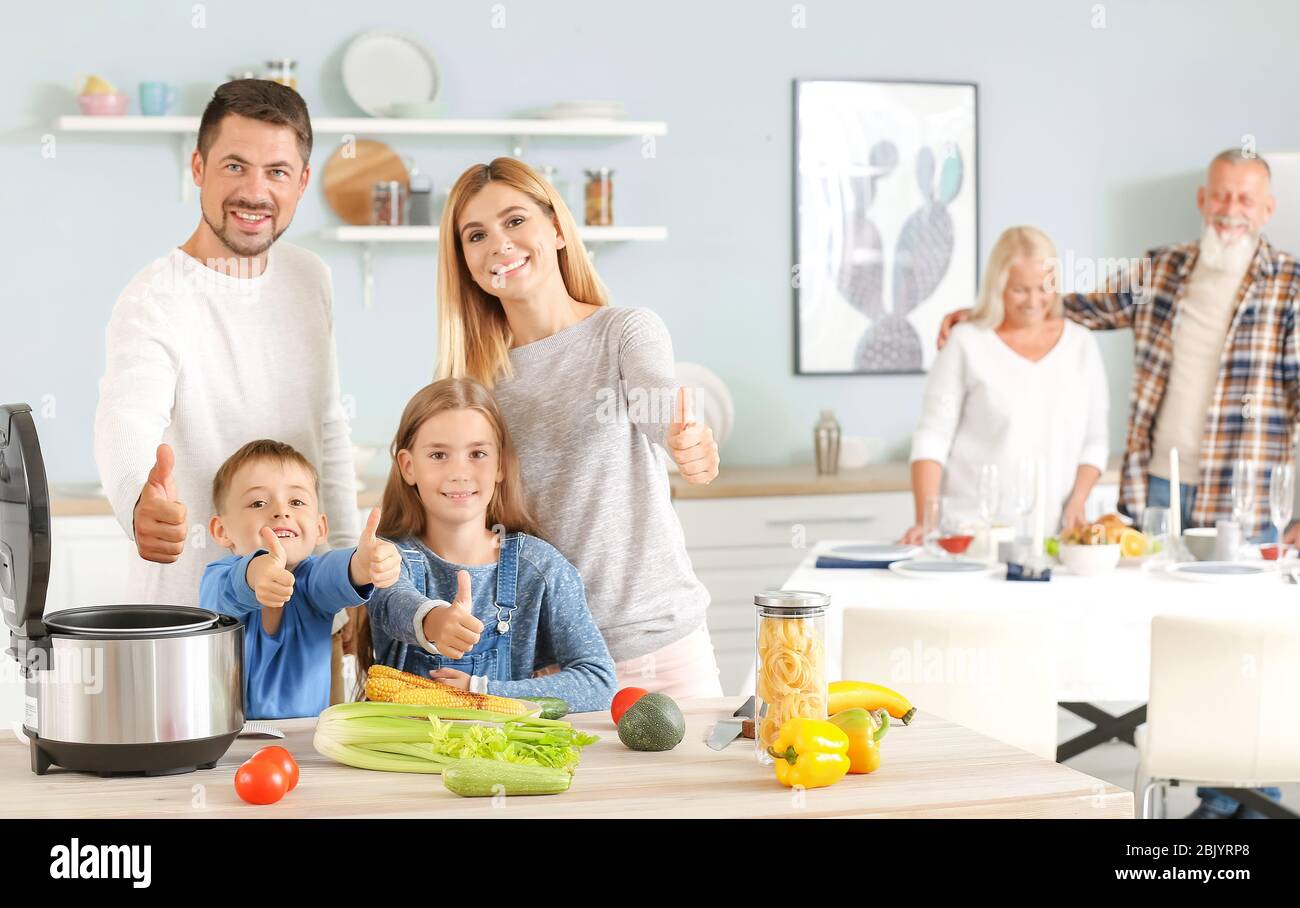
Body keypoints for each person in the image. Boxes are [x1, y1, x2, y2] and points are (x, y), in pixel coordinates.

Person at [938, 150, 1296, 819]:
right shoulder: (1163, 269)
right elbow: (1071, 304)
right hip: (1159, 487)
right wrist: (983, 312)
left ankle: (1240, 788)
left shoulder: (1292, 285)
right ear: (1201, 199)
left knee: (1237, 635)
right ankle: (1192, 776)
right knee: (1169, 632)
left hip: (1239, 495)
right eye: (1221, 196)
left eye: (1246, 199)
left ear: (1267, 209)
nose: (1231, 210)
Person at [431, 158, 723, 698]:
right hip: (550, 663)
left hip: (659, 646)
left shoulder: (623, 332)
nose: (499, 244)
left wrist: (687, 440)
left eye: (515, 221)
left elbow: (655, 397)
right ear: (465, 260)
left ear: (558, 229)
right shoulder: (473, 386)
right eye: (477, 235)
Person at [93, 80, 359, 631]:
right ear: (198, 167)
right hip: (190, 620)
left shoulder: (310, 278)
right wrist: (134, 499)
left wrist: (349, 569)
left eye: (277, 171)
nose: (255, 192)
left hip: (303, 610)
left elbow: (327, 424)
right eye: (235, 166)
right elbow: (125, 420)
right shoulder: (154, 297)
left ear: (302, 181)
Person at [363, 379, 617, 713]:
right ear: (408, 466)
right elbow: (394, 602)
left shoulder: (540, 568)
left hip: (501, 754)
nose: (459, 472)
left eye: (477, 454)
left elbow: (598, 683)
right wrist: (434, 621)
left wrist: (482, 691)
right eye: (438, 455)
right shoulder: (391, 560)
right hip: (405, 756)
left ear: (500, 465)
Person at [902, 226, 1108, 544]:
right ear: (997, 286)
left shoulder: (1081, 345)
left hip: (1051, 534)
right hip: (971, 530)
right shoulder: (966, 341)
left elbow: (1095, 442)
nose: (1034, 301)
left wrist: (1077, 503)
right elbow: (932, 436)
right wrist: (924, 520)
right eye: (1019, 290)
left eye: (1044, 287)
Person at [200, 440, 401, 719]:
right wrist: (258, 571)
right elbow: (232, 588)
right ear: (222, 530)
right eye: (258, 502)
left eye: (296, 501)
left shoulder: (312, 582)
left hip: (307, 741)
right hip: (229, 740)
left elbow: (335, 573)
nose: (281, 512)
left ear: (320, 529)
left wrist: (362, 564)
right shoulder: (217, 577)